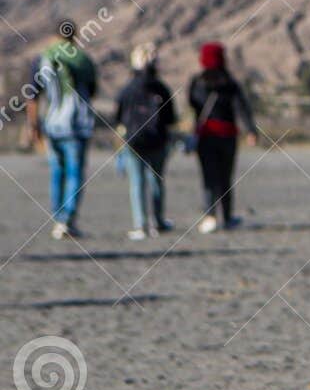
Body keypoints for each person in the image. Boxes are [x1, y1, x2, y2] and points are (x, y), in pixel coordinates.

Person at [26, 23, 99, 240]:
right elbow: (92, 92)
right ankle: (68, 220)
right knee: (75, 173)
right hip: (77, 124)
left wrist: (33, 126)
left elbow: (32, 96)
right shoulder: (84, 60)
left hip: (52, 123)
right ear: (74, 36)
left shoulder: (42, 58)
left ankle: (58, 219)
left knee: (57, 172)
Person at [187, 41, 258, 233]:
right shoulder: (230, 83)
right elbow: (242, 108)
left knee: (208, 177)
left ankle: (210, 216)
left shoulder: (197, 82)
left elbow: (192, 105)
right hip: (228, 136)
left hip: (205, 136)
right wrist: (251, 130)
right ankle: (226, 217)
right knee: (226, 177)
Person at [114, 43, 177, 240]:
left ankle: (140, 225)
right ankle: (157, 221)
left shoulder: (127, 89)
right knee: (156, 181)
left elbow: (118, 117)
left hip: (133, 141)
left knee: (137, 183)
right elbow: (171, 118)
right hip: (158, 140)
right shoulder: (161, 88)